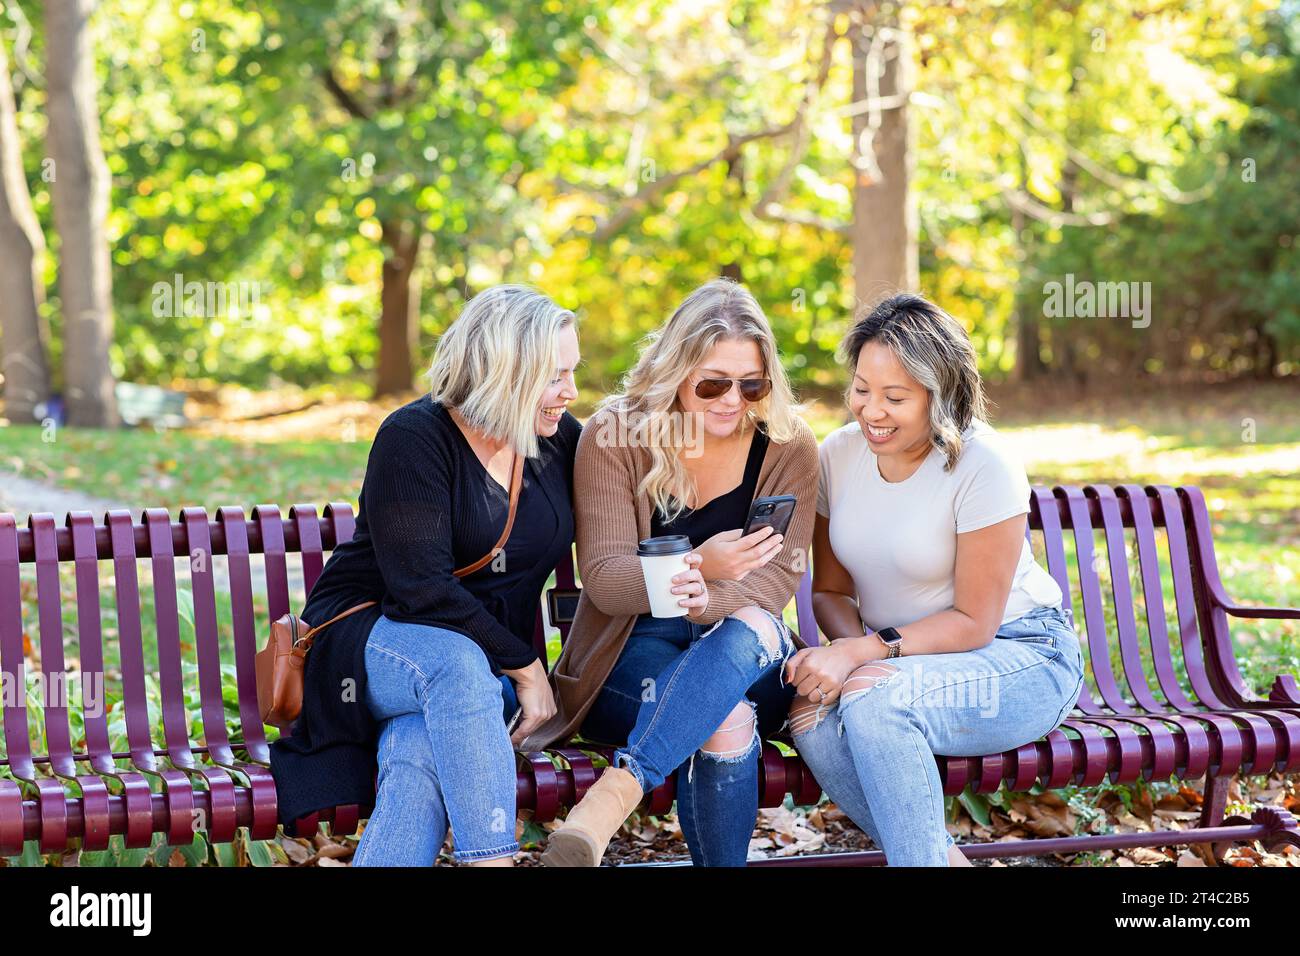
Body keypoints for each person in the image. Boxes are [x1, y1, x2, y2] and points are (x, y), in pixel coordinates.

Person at [268, 284, 582, 866]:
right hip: (372, 639)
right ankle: (492, 860)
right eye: (555, 374)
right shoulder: (414, 437)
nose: (571, 391)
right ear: (503, 370)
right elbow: (421, 589)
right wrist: (527, 667)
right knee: (458, 669)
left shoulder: (560, 439)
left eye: (572, 372)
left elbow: (626, 511)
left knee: (420, 755)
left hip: (474, 674)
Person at [520, 277, 819, 867]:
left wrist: (697, 597)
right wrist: (701, 566)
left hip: (741, 647)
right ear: (675, 370)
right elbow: (606, 579)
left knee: (756, 627)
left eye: (751, 384)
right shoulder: (617, 433)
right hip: (629, 654)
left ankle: (616, 794)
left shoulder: (787, 444)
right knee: (724, 715)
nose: (733, 400)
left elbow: (776, 579)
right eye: (712, 383)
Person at [785, 292, 1085, 866]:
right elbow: (829, 591)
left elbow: (975, 621)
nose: (872, 411)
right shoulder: (838, 456)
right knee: (810, 714)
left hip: (1022, 654)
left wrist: (865, 655)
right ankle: (938, 858)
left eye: (895, 397)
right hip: (900, 662)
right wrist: (854, 651)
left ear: (940, 396)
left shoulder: (983, 464)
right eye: (862, 390)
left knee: (875, 702)